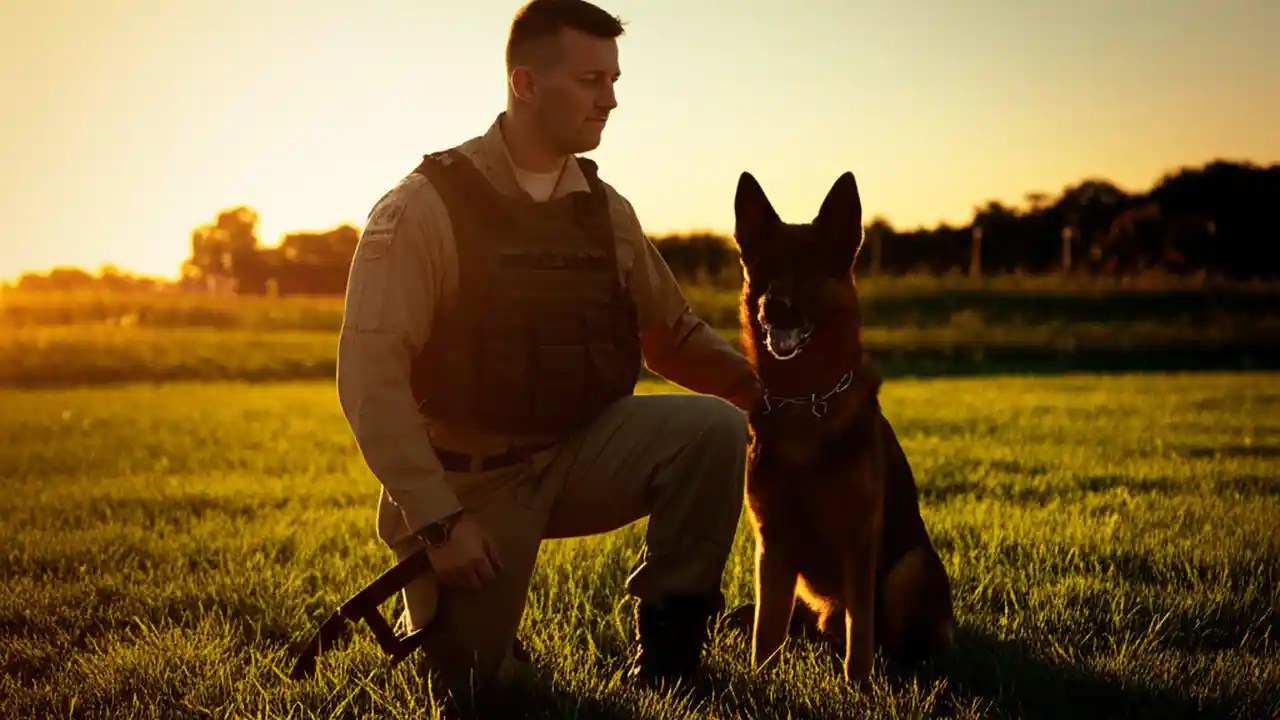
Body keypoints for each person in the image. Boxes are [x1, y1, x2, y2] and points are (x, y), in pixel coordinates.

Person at [336, 0, 760, 703]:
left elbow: (674, 335)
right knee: (478, 693)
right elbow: (369, 378)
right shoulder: (423, 206)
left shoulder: (604, 209)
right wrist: (439, 522)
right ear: (526, 84)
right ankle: (487, 632)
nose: (611, 99)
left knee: (713, 431)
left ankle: (669, 656)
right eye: (592, 80)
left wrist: (776, 401)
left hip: (579, 450)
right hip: (470, 484)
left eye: (615, 79)